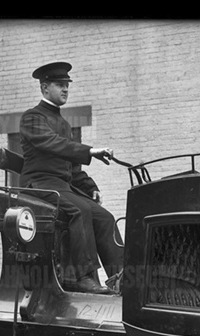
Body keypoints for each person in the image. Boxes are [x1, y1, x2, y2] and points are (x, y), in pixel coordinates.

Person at [19, 61, 124, 294]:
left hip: (62, 188)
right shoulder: (32, 118)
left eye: (67, 85)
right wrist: (89, 151)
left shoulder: (64, 124)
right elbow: (52, 143)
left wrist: (90, 187)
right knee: (80, 210)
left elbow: (72, 167)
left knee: (105, 217)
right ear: (44, 88)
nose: (65, 89)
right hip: (39, 186)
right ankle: (81, 277)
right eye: (59, 85)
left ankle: (121, 277)